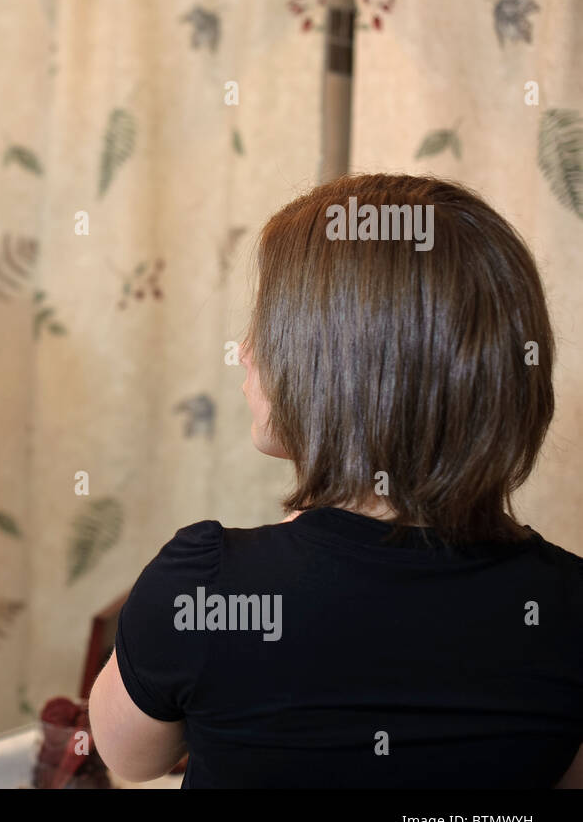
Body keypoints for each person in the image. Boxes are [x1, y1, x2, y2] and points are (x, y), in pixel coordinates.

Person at [89, 173, 583, 788]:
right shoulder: (567, 608)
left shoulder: (206, 586)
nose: (243, 349)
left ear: (336, 366)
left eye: (268, 324)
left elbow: (129, 761)